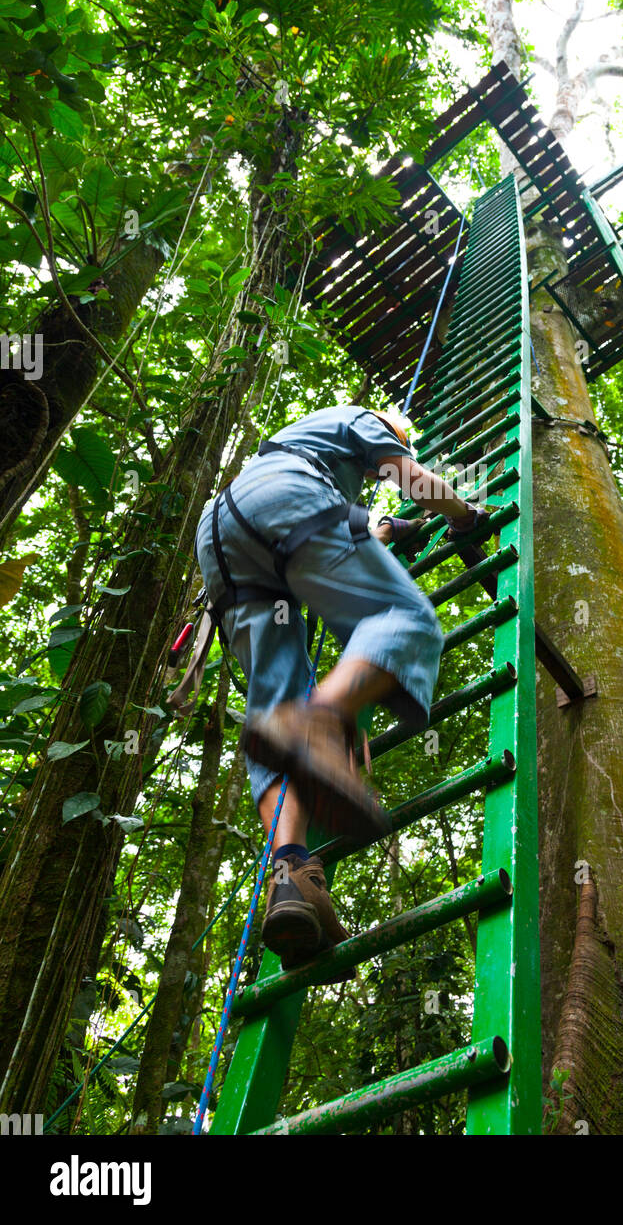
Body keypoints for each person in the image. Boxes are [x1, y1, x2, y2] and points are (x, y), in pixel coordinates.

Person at [191, 404, 490, 974]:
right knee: (406, 620)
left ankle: (293, 879)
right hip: (285, 501)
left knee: (277, 702)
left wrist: (382, 532)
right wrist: (463, 515)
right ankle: (317, 720)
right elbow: (410, 479)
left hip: (223, 540)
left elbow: (329, 550)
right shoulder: (361, 418)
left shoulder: (294, 444)